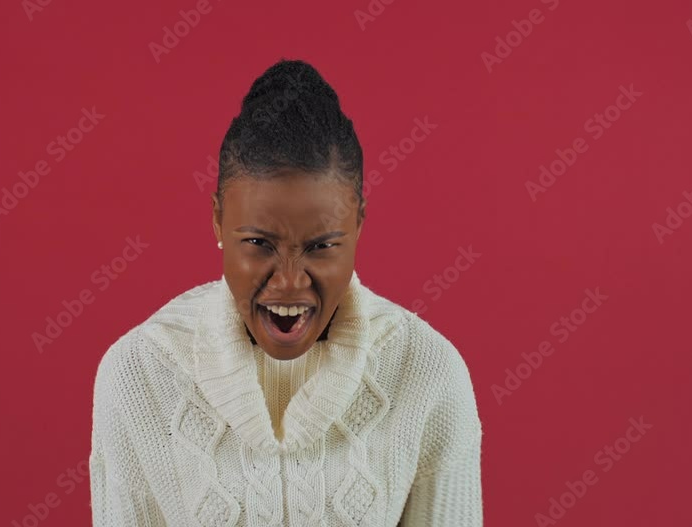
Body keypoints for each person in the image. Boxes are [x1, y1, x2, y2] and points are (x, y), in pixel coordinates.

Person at [89, 58, 483, 526]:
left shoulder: (428, 372)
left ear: (358, 224)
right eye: (258, 244)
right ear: (217, 220)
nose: (290, 282)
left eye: (321, 246)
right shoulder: (141, 374)